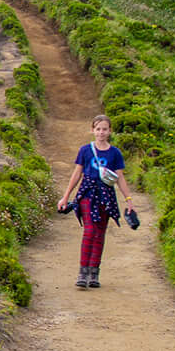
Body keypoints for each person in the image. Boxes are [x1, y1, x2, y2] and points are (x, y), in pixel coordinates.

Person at [55, 114, 131, 289]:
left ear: (110, 131)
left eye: (104, 129)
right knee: (89, 231)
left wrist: (129, 200)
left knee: (100, 233)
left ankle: (94, 272)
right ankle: (83, 272)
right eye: (98, 129)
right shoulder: (85, 150)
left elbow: (120, 178)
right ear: (92, 130)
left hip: (106, 196)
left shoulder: (115, 153)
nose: (101, 132)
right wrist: (66, 197)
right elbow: (76, 174)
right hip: (87, 193)